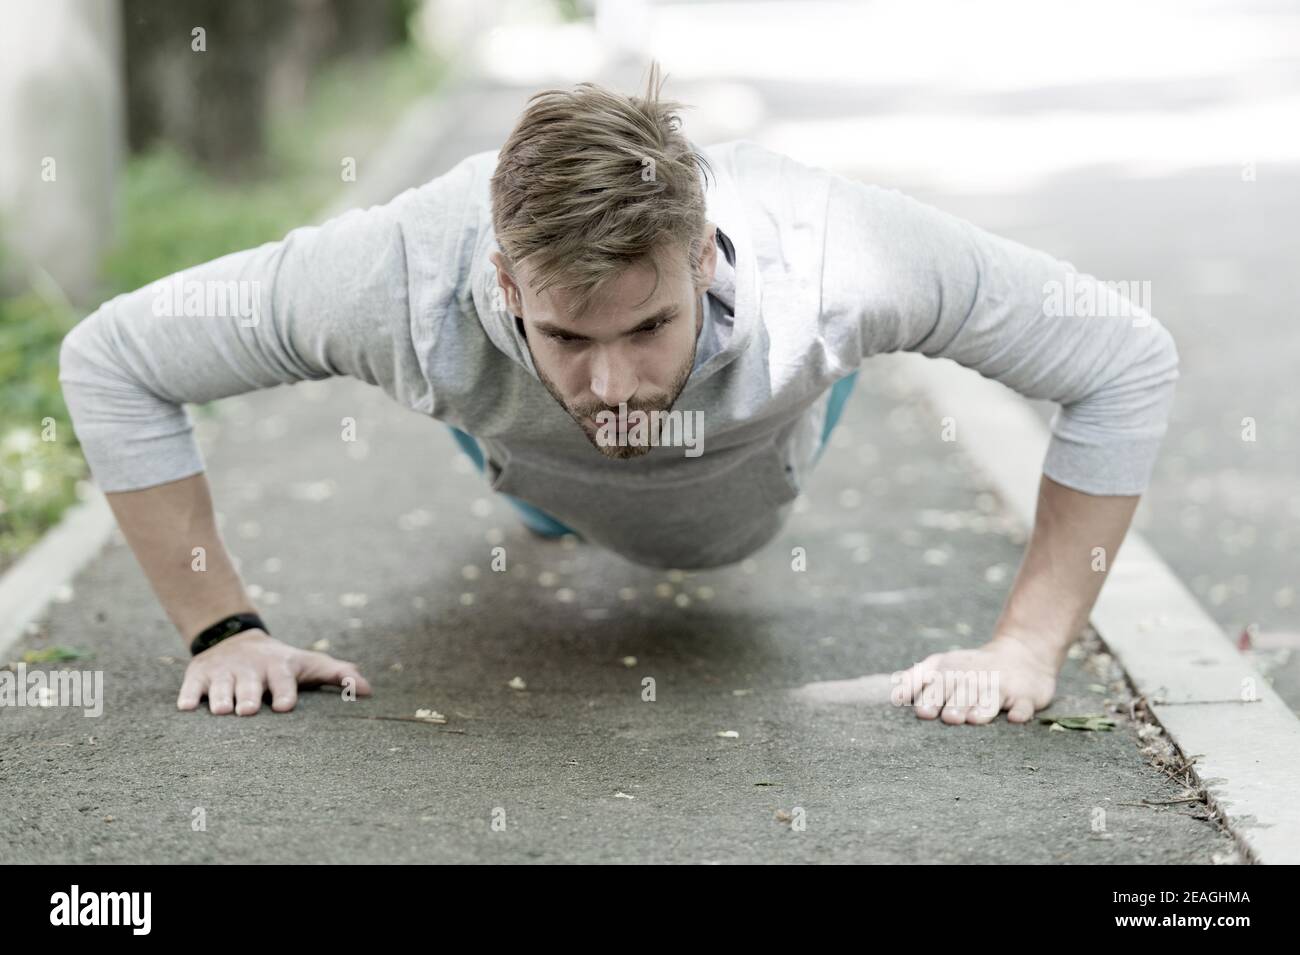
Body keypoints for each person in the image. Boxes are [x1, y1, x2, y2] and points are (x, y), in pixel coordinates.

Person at [58, 64, 1179, 723]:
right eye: (564, 332)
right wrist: (222, 630)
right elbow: (113, 360)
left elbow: (1124, 361)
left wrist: (1026, 649)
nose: (614, 384)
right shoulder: (386, 278)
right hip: (513, 440)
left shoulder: (840, 252)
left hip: (751, 460)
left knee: (774, 401)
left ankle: (803, 382)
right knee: (533, 457)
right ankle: (517, 428)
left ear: (699, 258)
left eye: (647, 326)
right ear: (502, 279)